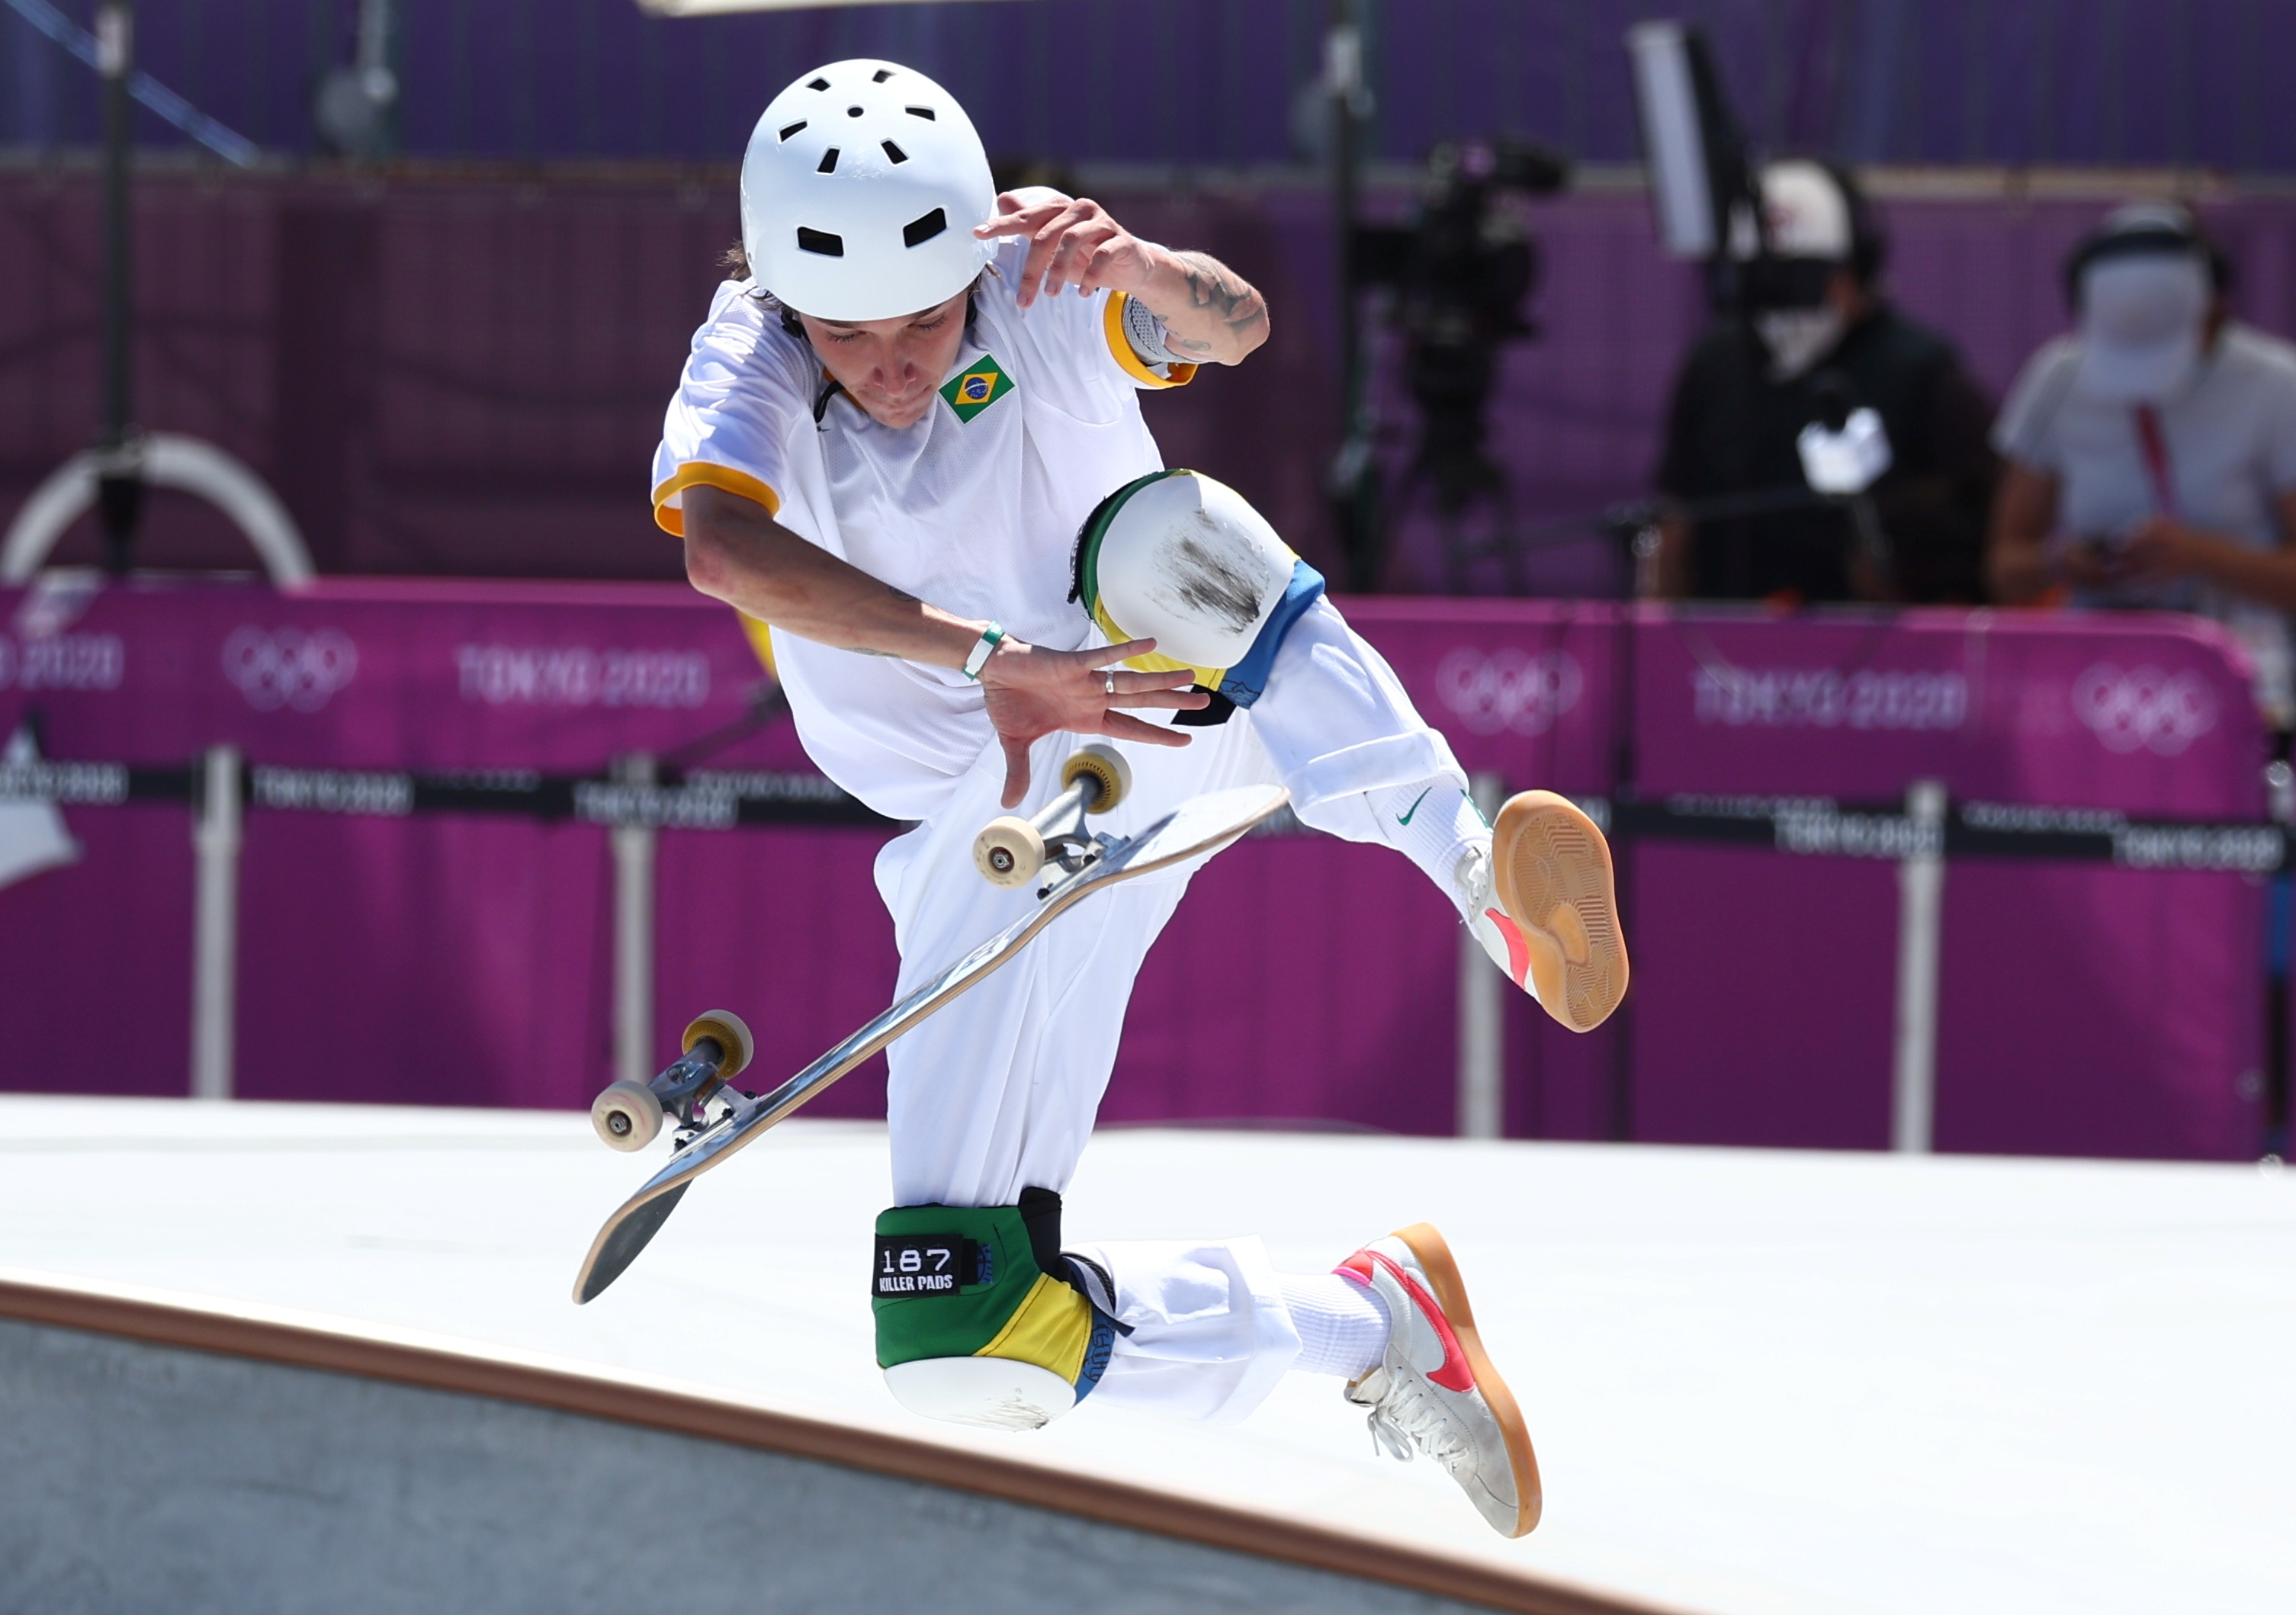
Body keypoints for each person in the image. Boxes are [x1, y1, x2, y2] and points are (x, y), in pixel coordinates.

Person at [649, 59, 1630, 1538]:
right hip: (986, 832)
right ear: (790, 299)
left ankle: (1473, 867)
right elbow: (721, 550)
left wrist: (1148, 270)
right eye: (851, 336)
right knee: (961, 1333)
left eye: (923, 322)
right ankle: (1372, 1324)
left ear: (965, 262)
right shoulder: (750, 346)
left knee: (1160, 534)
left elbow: (1237, 326)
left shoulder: (1033, 273)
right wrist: (990, 662)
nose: (894, 366)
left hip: (1151, 720)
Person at [1986, 202, 2296, 726]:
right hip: (2094, 670)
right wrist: (2065, 562)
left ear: (2215, 304)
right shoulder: (2056, 380)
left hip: (2238, 668)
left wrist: (2203, 556)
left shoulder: (2276, 381)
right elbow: (2005, 568)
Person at [1651, 159, 1999, 604]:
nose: (1786, 300)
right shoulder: (1717, 363)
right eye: (1765, 280)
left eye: (1807, 277)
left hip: (1876, 633)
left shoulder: (1921, 369)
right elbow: (1676, 512)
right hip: (1733, 625)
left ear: (1854, 271)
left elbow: (1980, 510)